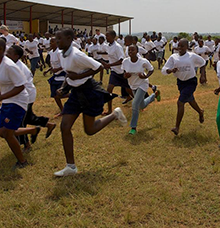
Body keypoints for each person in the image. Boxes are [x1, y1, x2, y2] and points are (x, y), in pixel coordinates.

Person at [53, 29, 127, 177]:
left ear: (69, 39)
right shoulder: (62, 55)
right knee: (65, 126)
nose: (56, 41)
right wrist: (63, 88)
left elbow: (98, 67)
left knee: (90, 130)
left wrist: (78, 76)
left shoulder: (77, 55)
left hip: (89, 92)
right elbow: (69, 74)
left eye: (59, 39)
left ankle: (114, 114)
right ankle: (71, 167)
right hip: (75, 94)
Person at [0, 39, 46, 169]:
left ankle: (22, 162)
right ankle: (33, 130)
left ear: (1, 50)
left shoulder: (9, 66)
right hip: (7, 100)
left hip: (18, 100)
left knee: (8, 133)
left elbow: (20, 87)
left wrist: (0, 97)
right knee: (2, 132)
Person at [5, 44, 56, 149]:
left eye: (9, 53)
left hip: (26, 96)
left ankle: (26, 145)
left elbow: (19, 86)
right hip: (24, 95)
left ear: (16, 56)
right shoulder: (12, 65)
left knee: (19, 122)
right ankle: (48, 124)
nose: (6, 54)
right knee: (28, 118)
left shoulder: (18, 68)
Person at [163, 39, 207, 135]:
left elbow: (203, 62)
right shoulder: (173, 57)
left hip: (191, 82)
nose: (180, 48)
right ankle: (200, 112)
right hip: (180, 83)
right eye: (178, 46)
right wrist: (170, 70)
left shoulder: (192, 56)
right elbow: (164, 69)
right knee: (190, 100)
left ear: (187, 47)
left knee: (180, 102)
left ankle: (177, 127)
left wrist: (202, 75)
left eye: (182, 46)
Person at [122, 43, 160, 135]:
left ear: (137, 51)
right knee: (141, 105)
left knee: (135, 104)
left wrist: (145, 76)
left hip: (143, 84)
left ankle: (133, 127)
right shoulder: (125, 61)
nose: (130, 52)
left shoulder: (143, 61)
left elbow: (151, 69)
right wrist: (125, 76)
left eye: (133, 50)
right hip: (133, 85)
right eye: (129, 50)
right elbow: (124, 74)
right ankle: (154, 95)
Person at [102, 30, 130, 114]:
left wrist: (109, 65)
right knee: (109, 89)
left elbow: (122, 60)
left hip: (121, 72)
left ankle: (139, 103)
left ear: (113, 37)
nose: (106, 38)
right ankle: (110, 110)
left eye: (108, 36)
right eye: (106, 36)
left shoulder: (118, 47)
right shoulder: (108, 46)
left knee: (129, 90)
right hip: (114, 72)